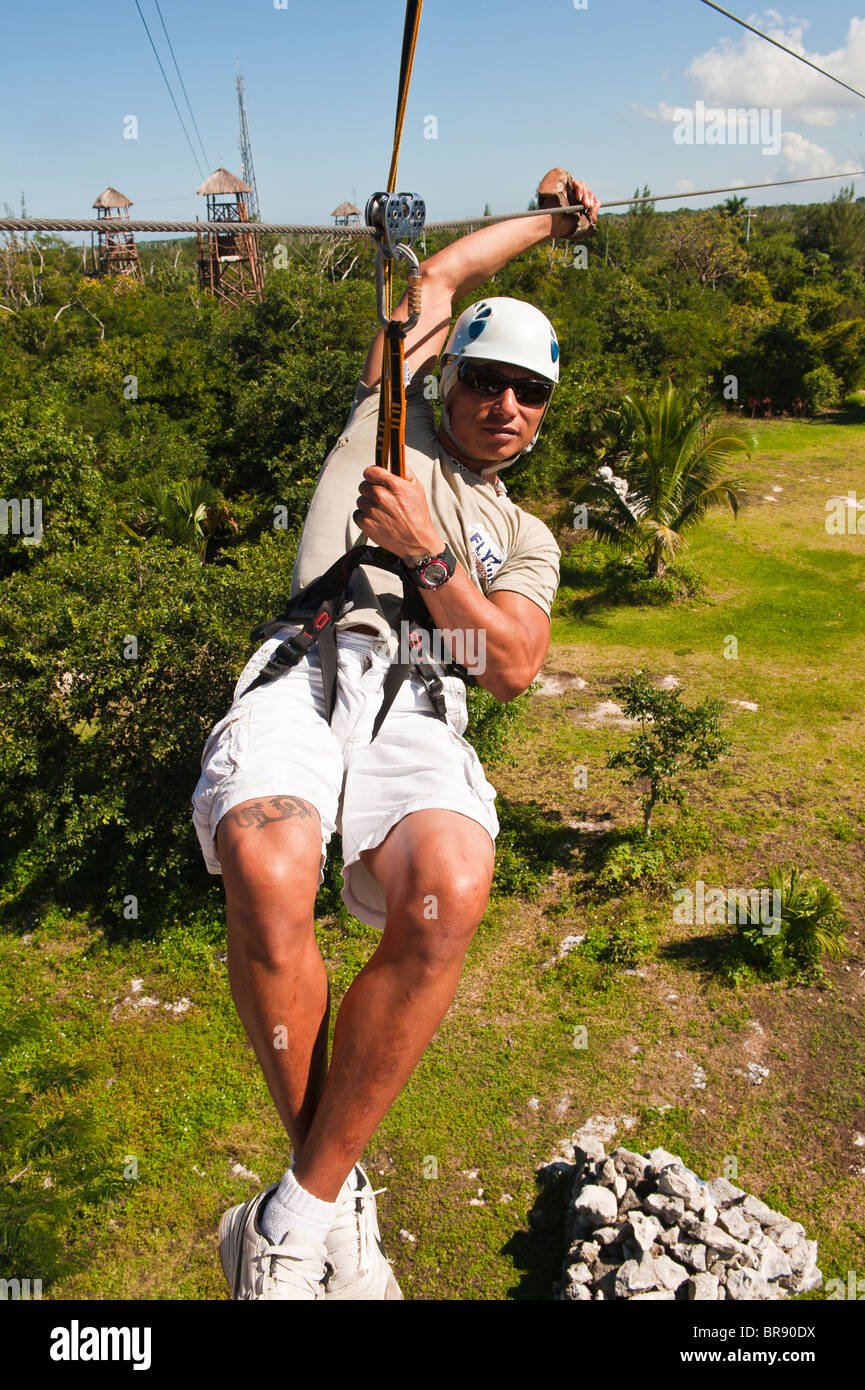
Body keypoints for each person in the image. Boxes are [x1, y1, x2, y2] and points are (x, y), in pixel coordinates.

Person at [192, 168, 599, 1300]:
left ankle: (290, 1210)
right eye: (490, 380)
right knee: (269, 861)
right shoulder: (387, 422)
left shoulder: (526, 535)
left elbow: (509, 662)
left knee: (451, 885)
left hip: (427, 692)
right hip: (319, 658)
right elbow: (438, 275)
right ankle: (329, 1200)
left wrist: (427, 553)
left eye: (532, 393)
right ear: (449, 377)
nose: (507, 406)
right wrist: (551, 223)